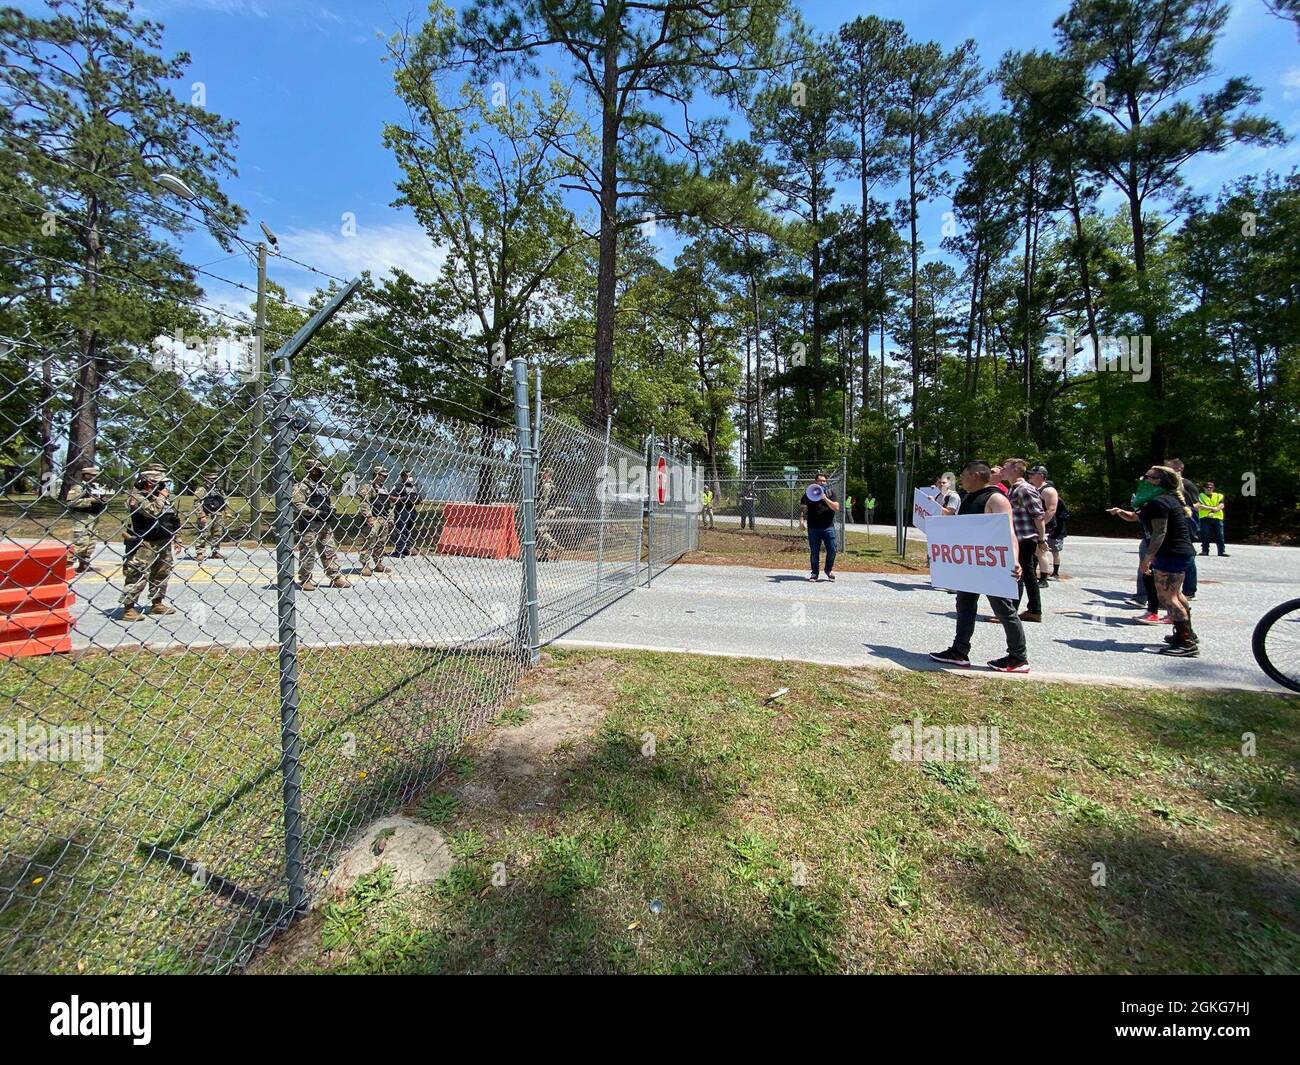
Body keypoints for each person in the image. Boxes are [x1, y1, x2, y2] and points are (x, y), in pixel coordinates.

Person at [929, 460, 1029, 673]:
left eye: (963, 475)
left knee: (1003, 610)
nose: (961, 479)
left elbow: (1009, 531)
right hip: (970, 564)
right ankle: (959, 652)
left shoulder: (996, 498)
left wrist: (1015, 560)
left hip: (993, 565)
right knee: (964, 605)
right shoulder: (967, 498)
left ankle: (1018, 657)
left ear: (974, 475)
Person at [1110, 466, 1199, 656]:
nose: (1143, 480)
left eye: (1147, 477)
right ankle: (1186, 634)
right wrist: (1120, 512)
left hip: (1171, 553)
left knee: (1168, 597)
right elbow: (1137, 517)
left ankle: (1186, 644)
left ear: (1158, 481)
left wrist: (1147, 558)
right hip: (1178, 553)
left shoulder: (1160, 502)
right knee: (1176, 595)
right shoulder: (1163, 500)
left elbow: (1160, 532)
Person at [120, 466, 181, 621]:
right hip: (144, 543)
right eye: (159, 484)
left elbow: (173, 518)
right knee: (138, 574)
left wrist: (177, 538)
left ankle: (157, 602)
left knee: (162, 572)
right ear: (149, 483)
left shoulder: (163, 497)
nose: (163, 487)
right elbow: (151, 511)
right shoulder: (136, 497)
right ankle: (128, 608)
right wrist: (161, 497)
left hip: (163, 540)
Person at [292, 459, 350, 591]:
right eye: (320, 471)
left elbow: (327, 502)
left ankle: (335, 577)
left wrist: (331, 509)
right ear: (312, 470)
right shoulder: (301, 486)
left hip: (325, 524)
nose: (323, 474)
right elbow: (298, 505)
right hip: (309, 525)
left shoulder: (323, 486)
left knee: (330, 550)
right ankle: (305, 579)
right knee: (308, 552)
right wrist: (316, 512)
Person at [1002, 458, 1045, 622]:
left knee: (1019, 574)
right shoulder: (1012, 489)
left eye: (1006, 467)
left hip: (1025, 539)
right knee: (1027, 574)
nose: (1003, 470)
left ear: (1016, 469)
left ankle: (1012, 612)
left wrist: (1041, 540)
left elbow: (1038, 516)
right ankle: (1034, 610)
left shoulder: (1025, 489)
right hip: (1017, 538)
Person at [64, 464, 110, 574]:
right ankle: (67, 566)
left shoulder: (94, 487)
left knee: (91, 543)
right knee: (80, 542)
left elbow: (98, 499)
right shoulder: (78, 487)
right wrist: (91, 501)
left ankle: (83, 565)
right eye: (93, 475)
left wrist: (102, 500)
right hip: (82, 518)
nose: (95, 477)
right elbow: (71, 502)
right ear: (86, 475)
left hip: (94, 517)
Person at [799, 472, 840, 582]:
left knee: (832, 550)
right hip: (813, 527)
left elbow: (836, 507)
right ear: (815, 481)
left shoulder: (831, 493)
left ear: (826, 482)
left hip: (828, 527)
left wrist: (825, 498)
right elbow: (803, 507)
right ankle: (814, 573)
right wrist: (801, 520)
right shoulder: (808, 493)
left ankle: (828, 570)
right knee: (814, 552)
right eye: (819, 481)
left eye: (824, 481)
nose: (822, 483)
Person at [1027, 465, 1065, 581]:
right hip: (1034, 525)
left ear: (1041, 476)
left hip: (1045, 526)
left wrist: (1041, 525)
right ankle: (1032, 575)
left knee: (1041, 551)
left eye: (1033, 474)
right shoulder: (1034, 488)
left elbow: (1051, 509)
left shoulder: (1048, 490)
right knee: (1034, 551)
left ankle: (1043, 579)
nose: (1030, 476)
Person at [357, 464, 392, 576]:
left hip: (383, 518)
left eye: (385, 476)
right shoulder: (368, 487)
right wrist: (369, 517)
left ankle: (378, 563)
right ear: (376, 475)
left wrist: (391, 518)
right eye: (382, 476)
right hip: (373, 518)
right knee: (369, 541)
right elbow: (364, 503)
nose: (384, 478)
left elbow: (389, 505)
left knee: (381, 542)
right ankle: (365, 565)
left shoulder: (384, 489)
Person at [191, 471, 228, 564]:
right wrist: (201, 515)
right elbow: (196, 502)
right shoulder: (202, 489)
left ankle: (215, 551)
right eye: (211, 479)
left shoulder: (218, 489)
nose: (213, 481)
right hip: (206, 513)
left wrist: (225, 511)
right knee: (203, 533)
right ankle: (200, 553)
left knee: (218, 532)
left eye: (215, 479)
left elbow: (224, 499)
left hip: (217, 512)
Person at [392, 469, 422, 557]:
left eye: (411, 476)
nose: (410, 478)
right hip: (402, 510)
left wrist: (417, 500)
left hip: (412, 510)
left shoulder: (414, 487)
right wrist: (403, 499)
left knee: (408, 530)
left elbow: (419, 497)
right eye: (408, 476)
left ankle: (406, 549)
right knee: (401, 529)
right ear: (403, 477)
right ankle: (399, 551)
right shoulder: (398, 486)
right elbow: (391, 497)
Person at [1196, 480, 1228, 557]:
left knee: (1220, 535)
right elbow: (1200, 506)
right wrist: (1214, 508)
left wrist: (1208, 508)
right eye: (1207, 487)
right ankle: (1205, 551)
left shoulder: (1218, 496)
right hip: (1204, 518)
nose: (1209, 489)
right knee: (1205, 534)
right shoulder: (1200, 496)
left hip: (1217, 518)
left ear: (1213, 488)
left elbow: (1221, 506)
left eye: (1211, 487)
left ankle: (1221, 551)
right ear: (1204, 488)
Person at [537, 466, 561, 561]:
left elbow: (544, 500)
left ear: (548, 474)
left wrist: (540, 510)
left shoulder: (546, 485)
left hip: (546, 510)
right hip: (551, 510)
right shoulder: (551, 485)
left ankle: (556, 547)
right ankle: (544, 554)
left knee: (541, 531)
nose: (542, 474)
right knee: (545, 531)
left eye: (544, 472)